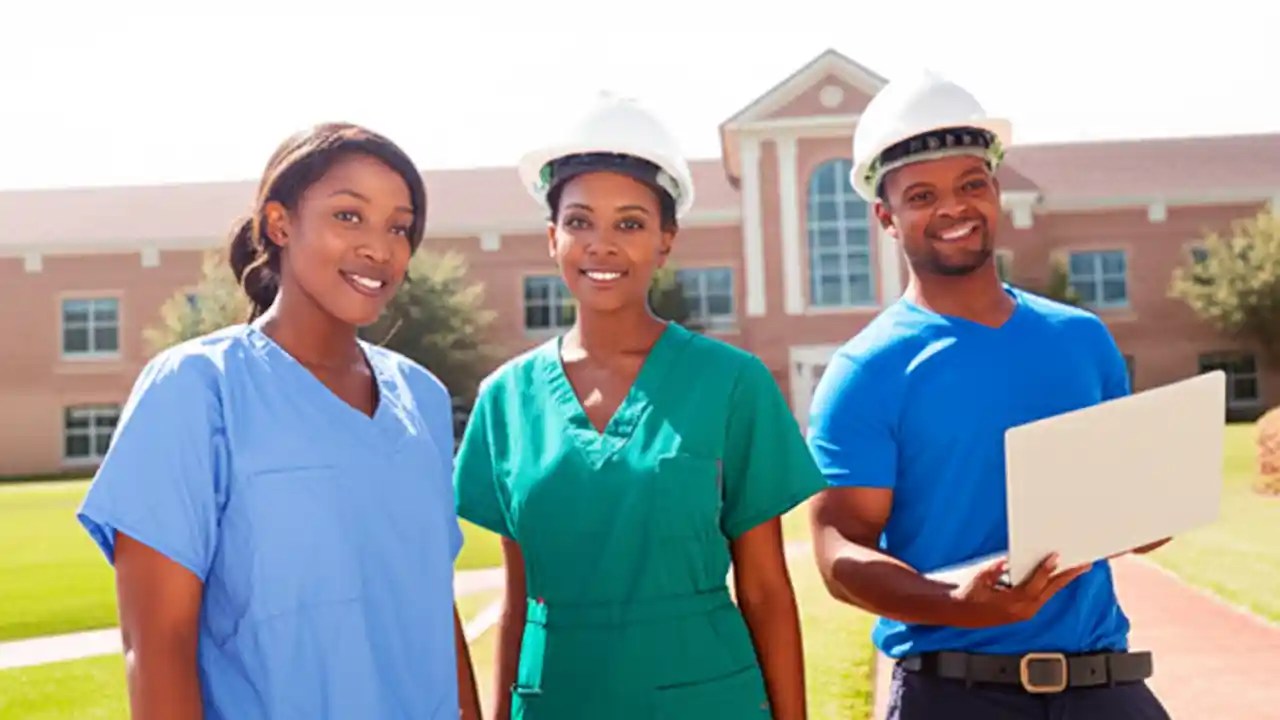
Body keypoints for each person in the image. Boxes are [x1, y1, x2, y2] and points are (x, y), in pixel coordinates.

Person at [76, 122, 481, 720]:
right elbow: (156, 647)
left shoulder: (419, 396)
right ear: (279, 223)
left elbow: (433, 613)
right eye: (349, 216)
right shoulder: (196, 390)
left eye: (399, 227)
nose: (380, 246)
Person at [806, 72, 1172, 719]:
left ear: (996, 192)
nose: (953, 207)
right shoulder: (867, 369)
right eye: (922, 195)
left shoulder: (1080, 339)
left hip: (1104, 685)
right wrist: (953, 604)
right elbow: (838, 548)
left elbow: (1124, 502)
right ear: (886, 217)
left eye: (971, 184)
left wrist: (1152, 511)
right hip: (952, 693)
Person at [453, 94, 825, 719]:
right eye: (578, 222)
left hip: (707, 700)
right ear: (552, 238)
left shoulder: (732, 383)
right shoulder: (505, 400)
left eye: (629, 223)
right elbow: (520, 602)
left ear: (665, 241)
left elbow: (764, 590)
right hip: (557, 702)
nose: (601, 245)